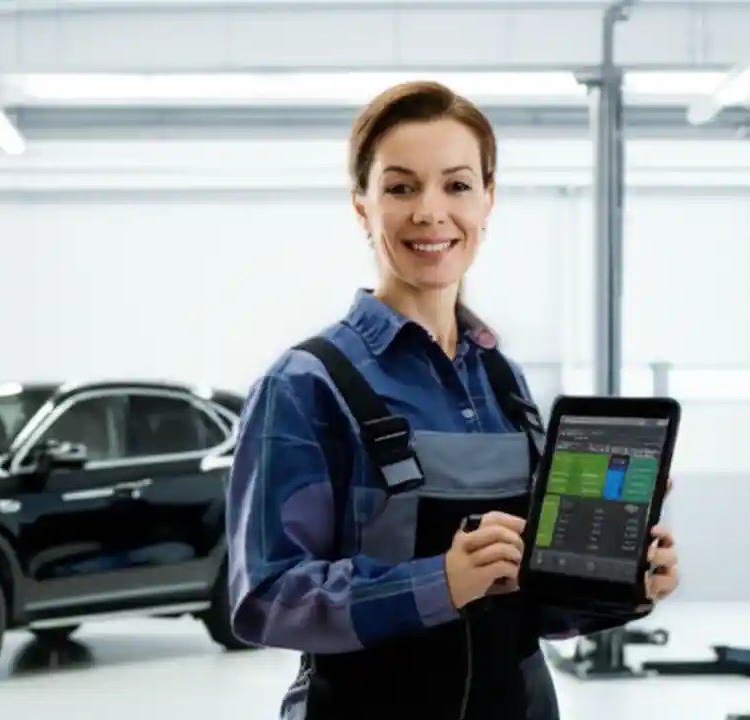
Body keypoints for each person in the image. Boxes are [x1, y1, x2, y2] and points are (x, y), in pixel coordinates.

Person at [223, 80, 681, 720]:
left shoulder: (504, 383)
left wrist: (621, 583)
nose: (431, 213)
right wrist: (440, 582)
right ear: (362, 205)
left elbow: (532, 603)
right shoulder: (304, 384)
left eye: (458, 185)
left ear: (488, 200)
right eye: (401, 187)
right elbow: (264, 598)